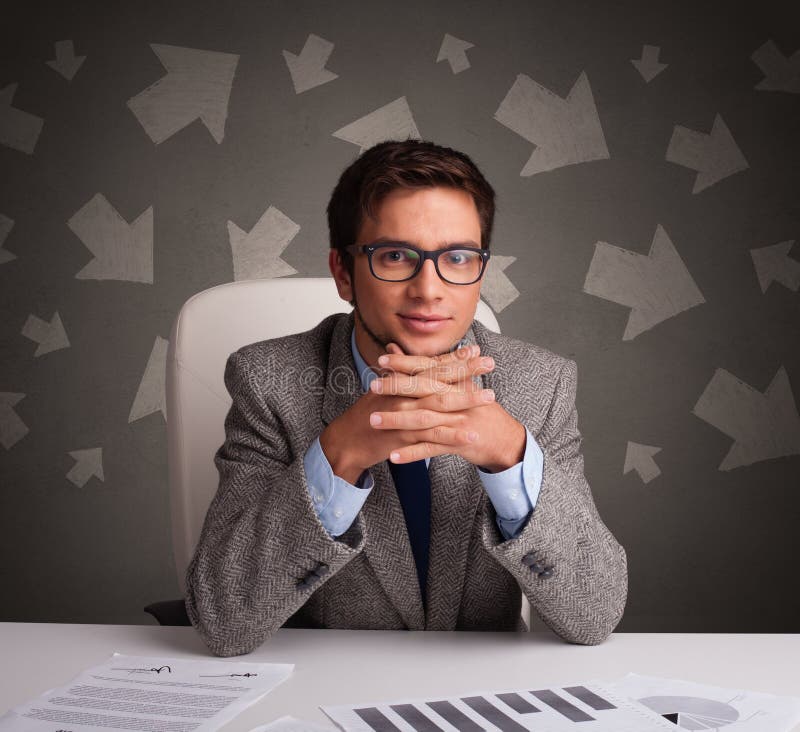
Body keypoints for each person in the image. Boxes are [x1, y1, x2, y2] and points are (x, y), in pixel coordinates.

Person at [185, 139, 627, 657]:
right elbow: (222, 620)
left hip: (479, 695)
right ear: (343, 273)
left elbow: (594, 615)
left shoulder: (541, 383)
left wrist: (511, 455)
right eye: (395, 256)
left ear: (479, 270)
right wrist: (339, 455)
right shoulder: (269, 381)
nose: (429, 289)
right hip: (322, 693)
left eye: (457, 258)